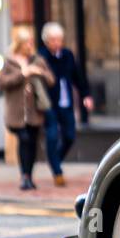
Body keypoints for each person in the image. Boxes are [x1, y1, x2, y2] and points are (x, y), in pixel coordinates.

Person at [0, 28, 55, 191]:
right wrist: (23, 74)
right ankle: (24, 176)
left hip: (34, 111)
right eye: (27, 42)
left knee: (32, 143)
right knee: (24, 140)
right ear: (20, 44)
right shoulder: (9, 62)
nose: (30, 45)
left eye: (31, 41)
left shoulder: (37, 60)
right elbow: (1, 84)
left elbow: (51, 80)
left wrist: (40, 72)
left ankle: (29, 175)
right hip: (16, 113)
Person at [38, 22, 92, 188]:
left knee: (69, 136)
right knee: (52, 136)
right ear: (46, 41)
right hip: (50, 105)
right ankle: (57, 172)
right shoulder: (42, 57)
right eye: (53, 40)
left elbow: (77, 76)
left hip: (66, 103)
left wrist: (86, 95)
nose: (57, 43)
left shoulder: (68, 55)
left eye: (59, 39)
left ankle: (55, 160)